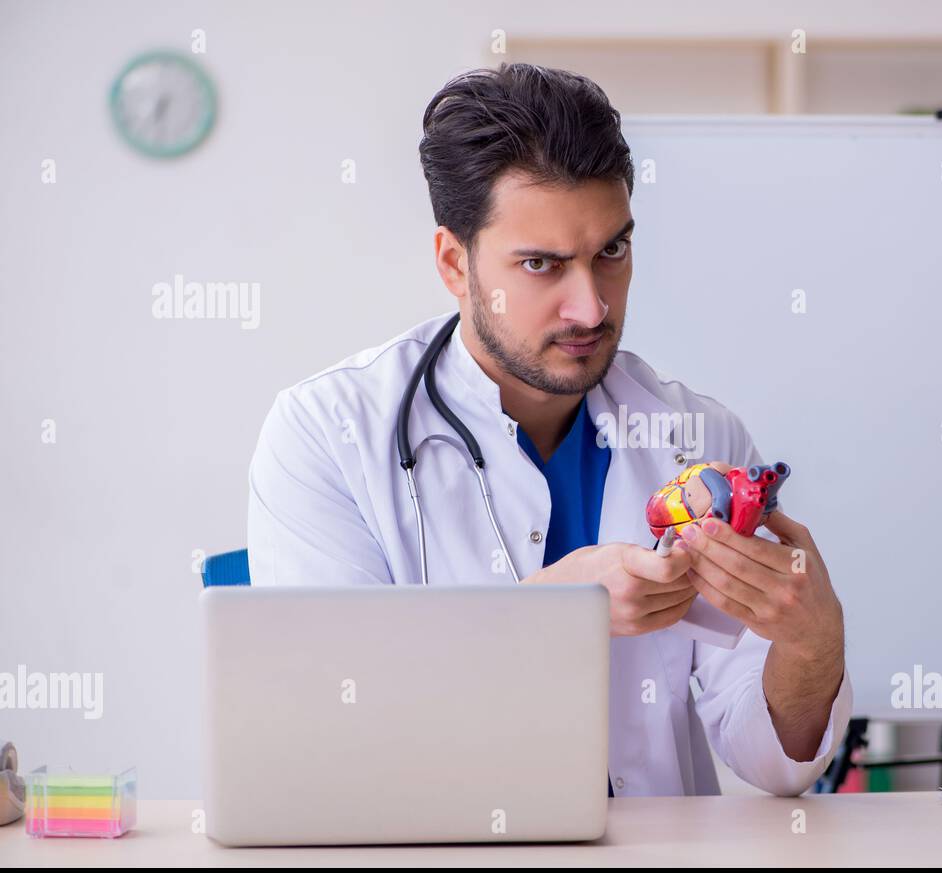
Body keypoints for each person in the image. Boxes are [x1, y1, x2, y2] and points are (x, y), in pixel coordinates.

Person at [247, 62, 851, 797]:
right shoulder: (326, 435)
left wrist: (813, 646)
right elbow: (330, 722)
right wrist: (540, 614)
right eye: (541, 264)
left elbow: (770, 758)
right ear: (454, 263)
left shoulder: (698, 440)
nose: (591, 308)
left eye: (612, 252)